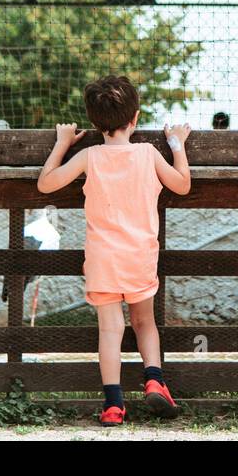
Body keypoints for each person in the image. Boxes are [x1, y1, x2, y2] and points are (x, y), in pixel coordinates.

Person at [38, 75, 192, 425]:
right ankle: (155, 379)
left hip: (102, 259)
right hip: (139, 255)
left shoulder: (89, 157)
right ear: (135, 117)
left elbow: (45, 183)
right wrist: (176, 143)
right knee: (144, 322)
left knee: (110, 329)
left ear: (94, 122)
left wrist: (62, 143)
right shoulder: (148, 153)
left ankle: (112, 406)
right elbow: (182, 185)